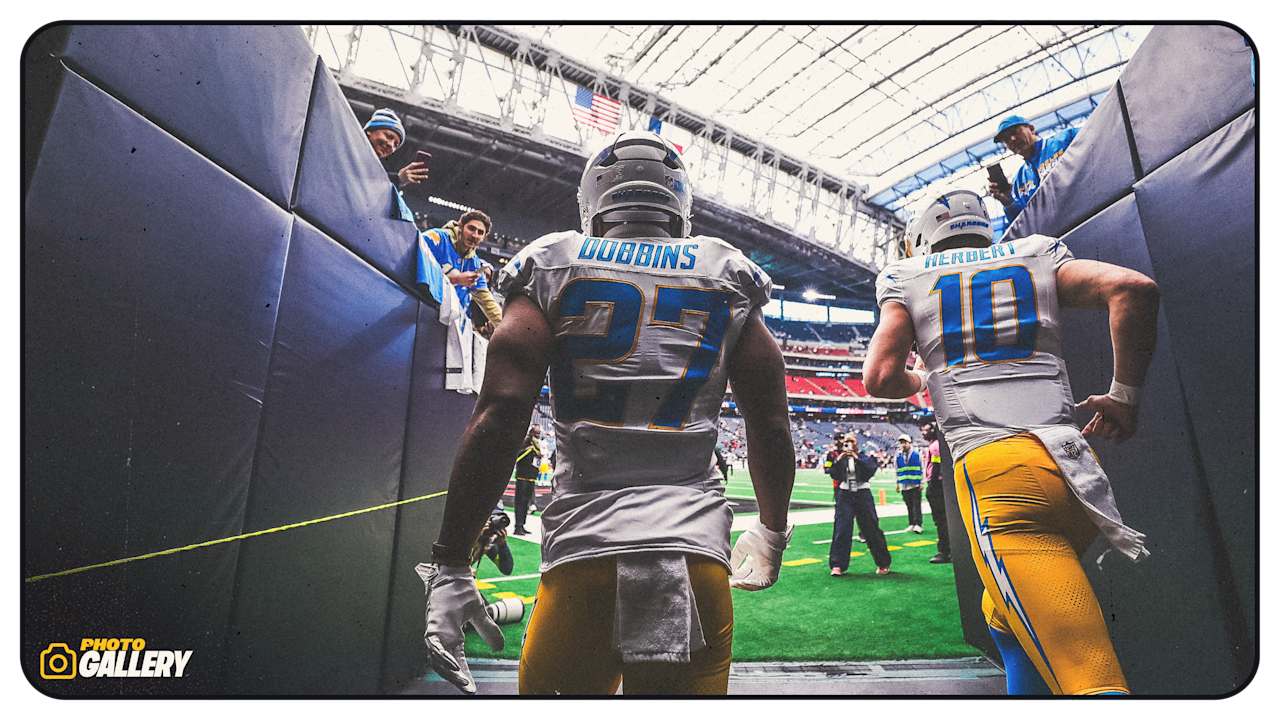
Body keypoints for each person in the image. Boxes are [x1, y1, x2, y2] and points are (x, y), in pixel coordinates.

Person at [417, 130, 796, 696]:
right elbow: (768, 420)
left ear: (593, 199)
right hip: (691, 555)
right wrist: (771, 531)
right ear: (679, 203)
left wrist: (451, 562)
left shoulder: (553, 262)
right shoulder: (725, 270)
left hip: (585, 552)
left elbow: (502, 413)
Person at [864, 187, 1159, 695]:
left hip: (1000, 478)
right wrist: (1124, 397)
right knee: (1005, 617)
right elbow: (1133, 289)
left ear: (920, 238)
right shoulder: (1035, 253)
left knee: (1091, 681)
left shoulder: (907, 276)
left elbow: (880, 377)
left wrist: (921, 380)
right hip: (1074, 469)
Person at [420, 210, 503, 338]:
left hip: (444, 325)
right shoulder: (436, 238)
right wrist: (454, 279)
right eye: (471, 228)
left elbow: (486, 300)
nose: (475, 235)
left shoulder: (474, 263)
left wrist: (506, 328)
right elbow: (413, 261)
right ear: (460, 226)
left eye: (480, 232)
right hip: (418, 310)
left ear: (484, 238)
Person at [987, 115, 1080, 224]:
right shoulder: (1018, 182)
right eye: (1006, 139)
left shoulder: (1066, 139)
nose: (1012, 139)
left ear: (1031, 129)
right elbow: (1024, 223)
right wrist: (1008, 202)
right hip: (1058, 233)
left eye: (1015, 132)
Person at [827, 434, 891, 577]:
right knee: (842, 528)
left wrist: (856, 458)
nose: (849, 444)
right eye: (846, 442)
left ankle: (883, 562)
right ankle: (837, 564)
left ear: (856, 444)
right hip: (845, 494)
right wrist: (839, 459)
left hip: (862, 493)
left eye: (851, 442)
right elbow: (833, 474)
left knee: (871, 528)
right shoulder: (839, 458)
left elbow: (870, 470)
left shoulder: (864, 457)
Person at [363, 108, 429, 222]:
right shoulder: (347, 147)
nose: (390, 145)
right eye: (388, 136)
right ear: (370, 131)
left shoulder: (373, 167)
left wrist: (399, 179)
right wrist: (397, 179)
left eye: (395, 144)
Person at [920, 422, 951, 564]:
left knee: (941, 520)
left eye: (925, 430)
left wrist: (932, 485)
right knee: (943, 520)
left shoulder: (935, 446)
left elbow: (937, 466)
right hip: (940, 484)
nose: (923, 433)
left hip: (937, 485)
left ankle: (944, 551)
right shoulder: (937, 444)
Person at [511, 426, 542, 536]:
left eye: (539, 434)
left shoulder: (538, 446)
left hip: (531, 477)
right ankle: (518, 526)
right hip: (522, 476)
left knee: (526, 502)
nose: (538, 436)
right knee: (520, 501)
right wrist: (529, 450)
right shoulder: (526, 443)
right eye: (536, 434)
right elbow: (518, 456)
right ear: (531, 433)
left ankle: (522, 525)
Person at [894, 434, 924, 533]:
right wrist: (897, 483)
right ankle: (911, 523)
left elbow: (922, 468)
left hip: (915, 484)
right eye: (901, 443)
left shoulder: (917, 454)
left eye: (904, 442)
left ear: (909, 443)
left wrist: (922, 482)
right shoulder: (898, 456)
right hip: (904, 485)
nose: (903, 445)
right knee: (909, 505)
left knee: (916, 505)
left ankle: (918, 524)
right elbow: (897, 470)